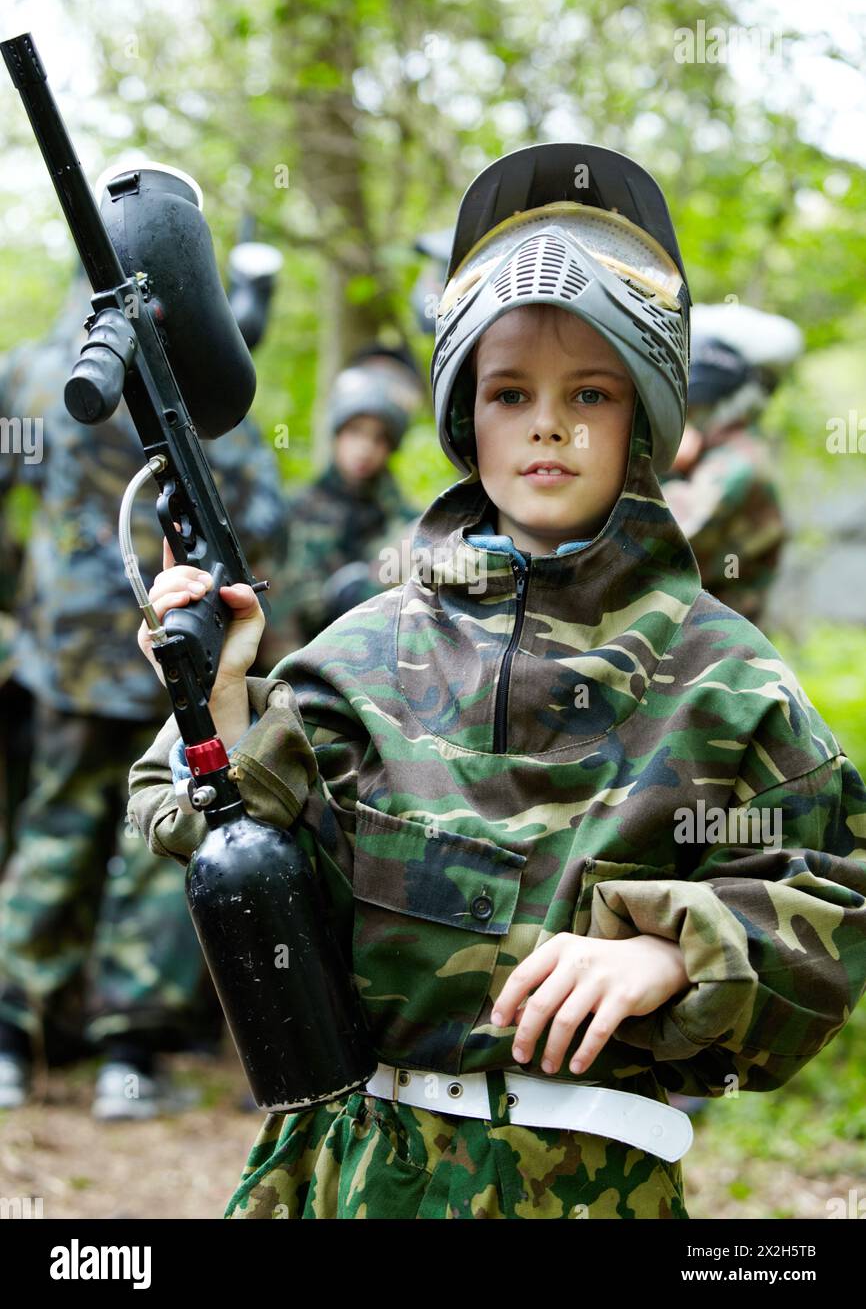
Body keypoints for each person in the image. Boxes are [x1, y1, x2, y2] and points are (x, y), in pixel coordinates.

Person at [128, 143, 866, 1219]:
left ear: (644, 420)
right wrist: (221, 695)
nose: (547, 424)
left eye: (591, 393)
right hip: (348, 1171)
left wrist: (671, 952)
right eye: (509, 391)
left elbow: (831, 905)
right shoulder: (362, 653)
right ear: (464, 418)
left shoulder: (725, 681)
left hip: (584, 1187)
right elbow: (214, 834)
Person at [0, 270, 290, 1116]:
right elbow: (261, 524)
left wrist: (21, 598)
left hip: (65, 652)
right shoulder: (202, 387)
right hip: (172, 651)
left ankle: (11, 1038)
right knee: (156, 840)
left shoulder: (37, 374)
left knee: (56, 830)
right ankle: (128, 1057)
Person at [258, 347, 422, 667]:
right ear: (338, 433)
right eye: (355, 432)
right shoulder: (294, 511)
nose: (365, 448)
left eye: (379, 439)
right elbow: (277, 608)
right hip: (302, 665)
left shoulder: (407, 523)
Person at [661, 332, 787, 631]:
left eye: (693, 409)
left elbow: (659, 538)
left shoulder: (735, 463)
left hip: (719, 641)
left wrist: (663, 468)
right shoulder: (724, 454)